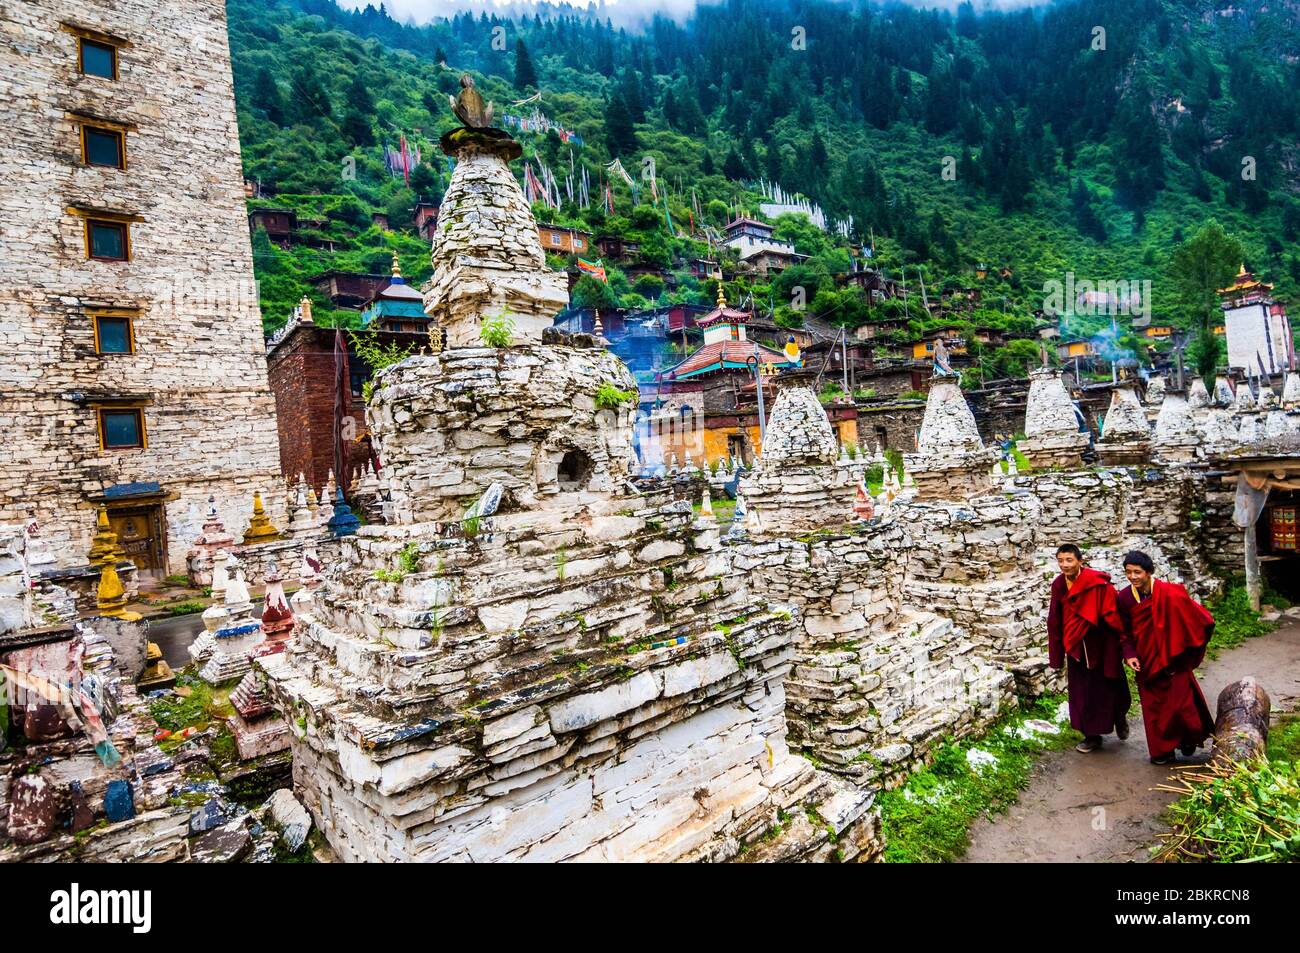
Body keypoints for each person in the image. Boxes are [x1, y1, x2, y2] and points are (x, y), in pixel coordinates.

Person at [1115, 550, 1215, 765]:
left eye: (1137, 572)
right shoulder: (1124, 598)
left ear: (1149, 572)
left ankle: (1188, 740)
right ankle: (1162, 751)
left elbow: (1202, 620)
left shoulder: (1171, 594)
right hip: (1147, 661)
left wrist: (1188, 648)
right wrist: (1129, 655)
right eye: (1128, 572)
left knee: (1181, 706)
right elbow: (1125, 632)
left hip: (1174, 660)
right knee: (1154, 710)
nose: (1132, 577)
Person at [1047, 544, 1132, 752]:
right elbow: (1055, 618)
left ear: (1080, 561)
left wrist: (1122, 645)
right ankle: (1092, 736)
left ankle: (1119, 718)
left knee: (1111, 686)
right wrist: (1056, 655)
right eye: (1061, 561)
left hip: (1102, 644)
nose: (1064, 565)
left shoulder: (1097, 582)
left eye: (1069, 560)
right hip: (1076, 647)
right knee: (1083, 693)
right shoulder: (1059, 585)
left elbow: (1114, 613)